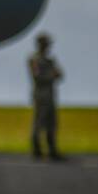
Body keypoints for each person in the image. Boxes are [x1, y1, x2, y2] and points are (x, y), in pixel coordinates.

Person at [27, 32, 64, 160]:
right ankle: (36, 150)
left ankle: (52, 149)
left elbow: (60, 74)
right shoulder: (34, 59)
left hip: (50, 95)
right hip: (41, 96)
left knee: (52, 123)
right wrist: (51, 75)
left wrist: (51, 75)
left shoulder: (50, 60)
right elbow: (37, 76)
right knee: (39, 123)